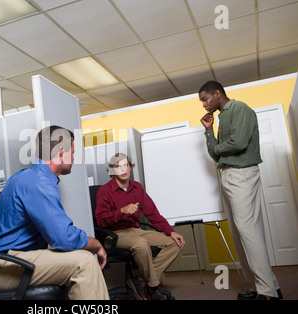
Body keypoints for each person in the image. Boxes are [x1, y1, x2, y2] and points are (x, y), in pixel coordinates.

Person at [0, 125, 109, 300]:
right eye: (73, 153)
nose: (74, 158)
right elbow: (65, 238)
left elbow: (52, 239)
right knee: (84, 262)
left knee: (76, 256)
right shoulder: (37, 183)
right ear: (61, 152)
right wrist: (96, 245)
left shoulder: (30, 177)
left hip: (10, 262)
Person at [199, 80, 282, 300]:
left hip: (242, 174)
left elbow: (238, 143)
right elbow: (217, 154)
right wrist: (209, 131)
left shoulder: (240, 109)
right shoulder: (223, 116)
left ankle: (267, 293)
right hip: (228, 175)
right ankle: (263, 287)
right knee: (239, 234)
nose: (204, 105)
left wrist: (218, 147)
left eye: (205, 99)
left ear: (218, 93)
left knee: (249, 232)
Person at [95, 153, 185, 300]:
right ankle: (153, 287)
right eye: (118, 167)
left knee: (173, 243)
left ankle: (142, 282)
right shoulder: (104, 191)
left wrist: (171, 232)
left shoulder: (137, 188)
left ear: (130, 168)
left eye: (125, 165)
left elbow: (153, 214)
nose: (123, 169)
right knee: (141, 244)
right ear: (112, 171)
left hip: (135, 230)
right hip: (114, 234)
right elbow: (101, 221)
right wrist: (121, 211)